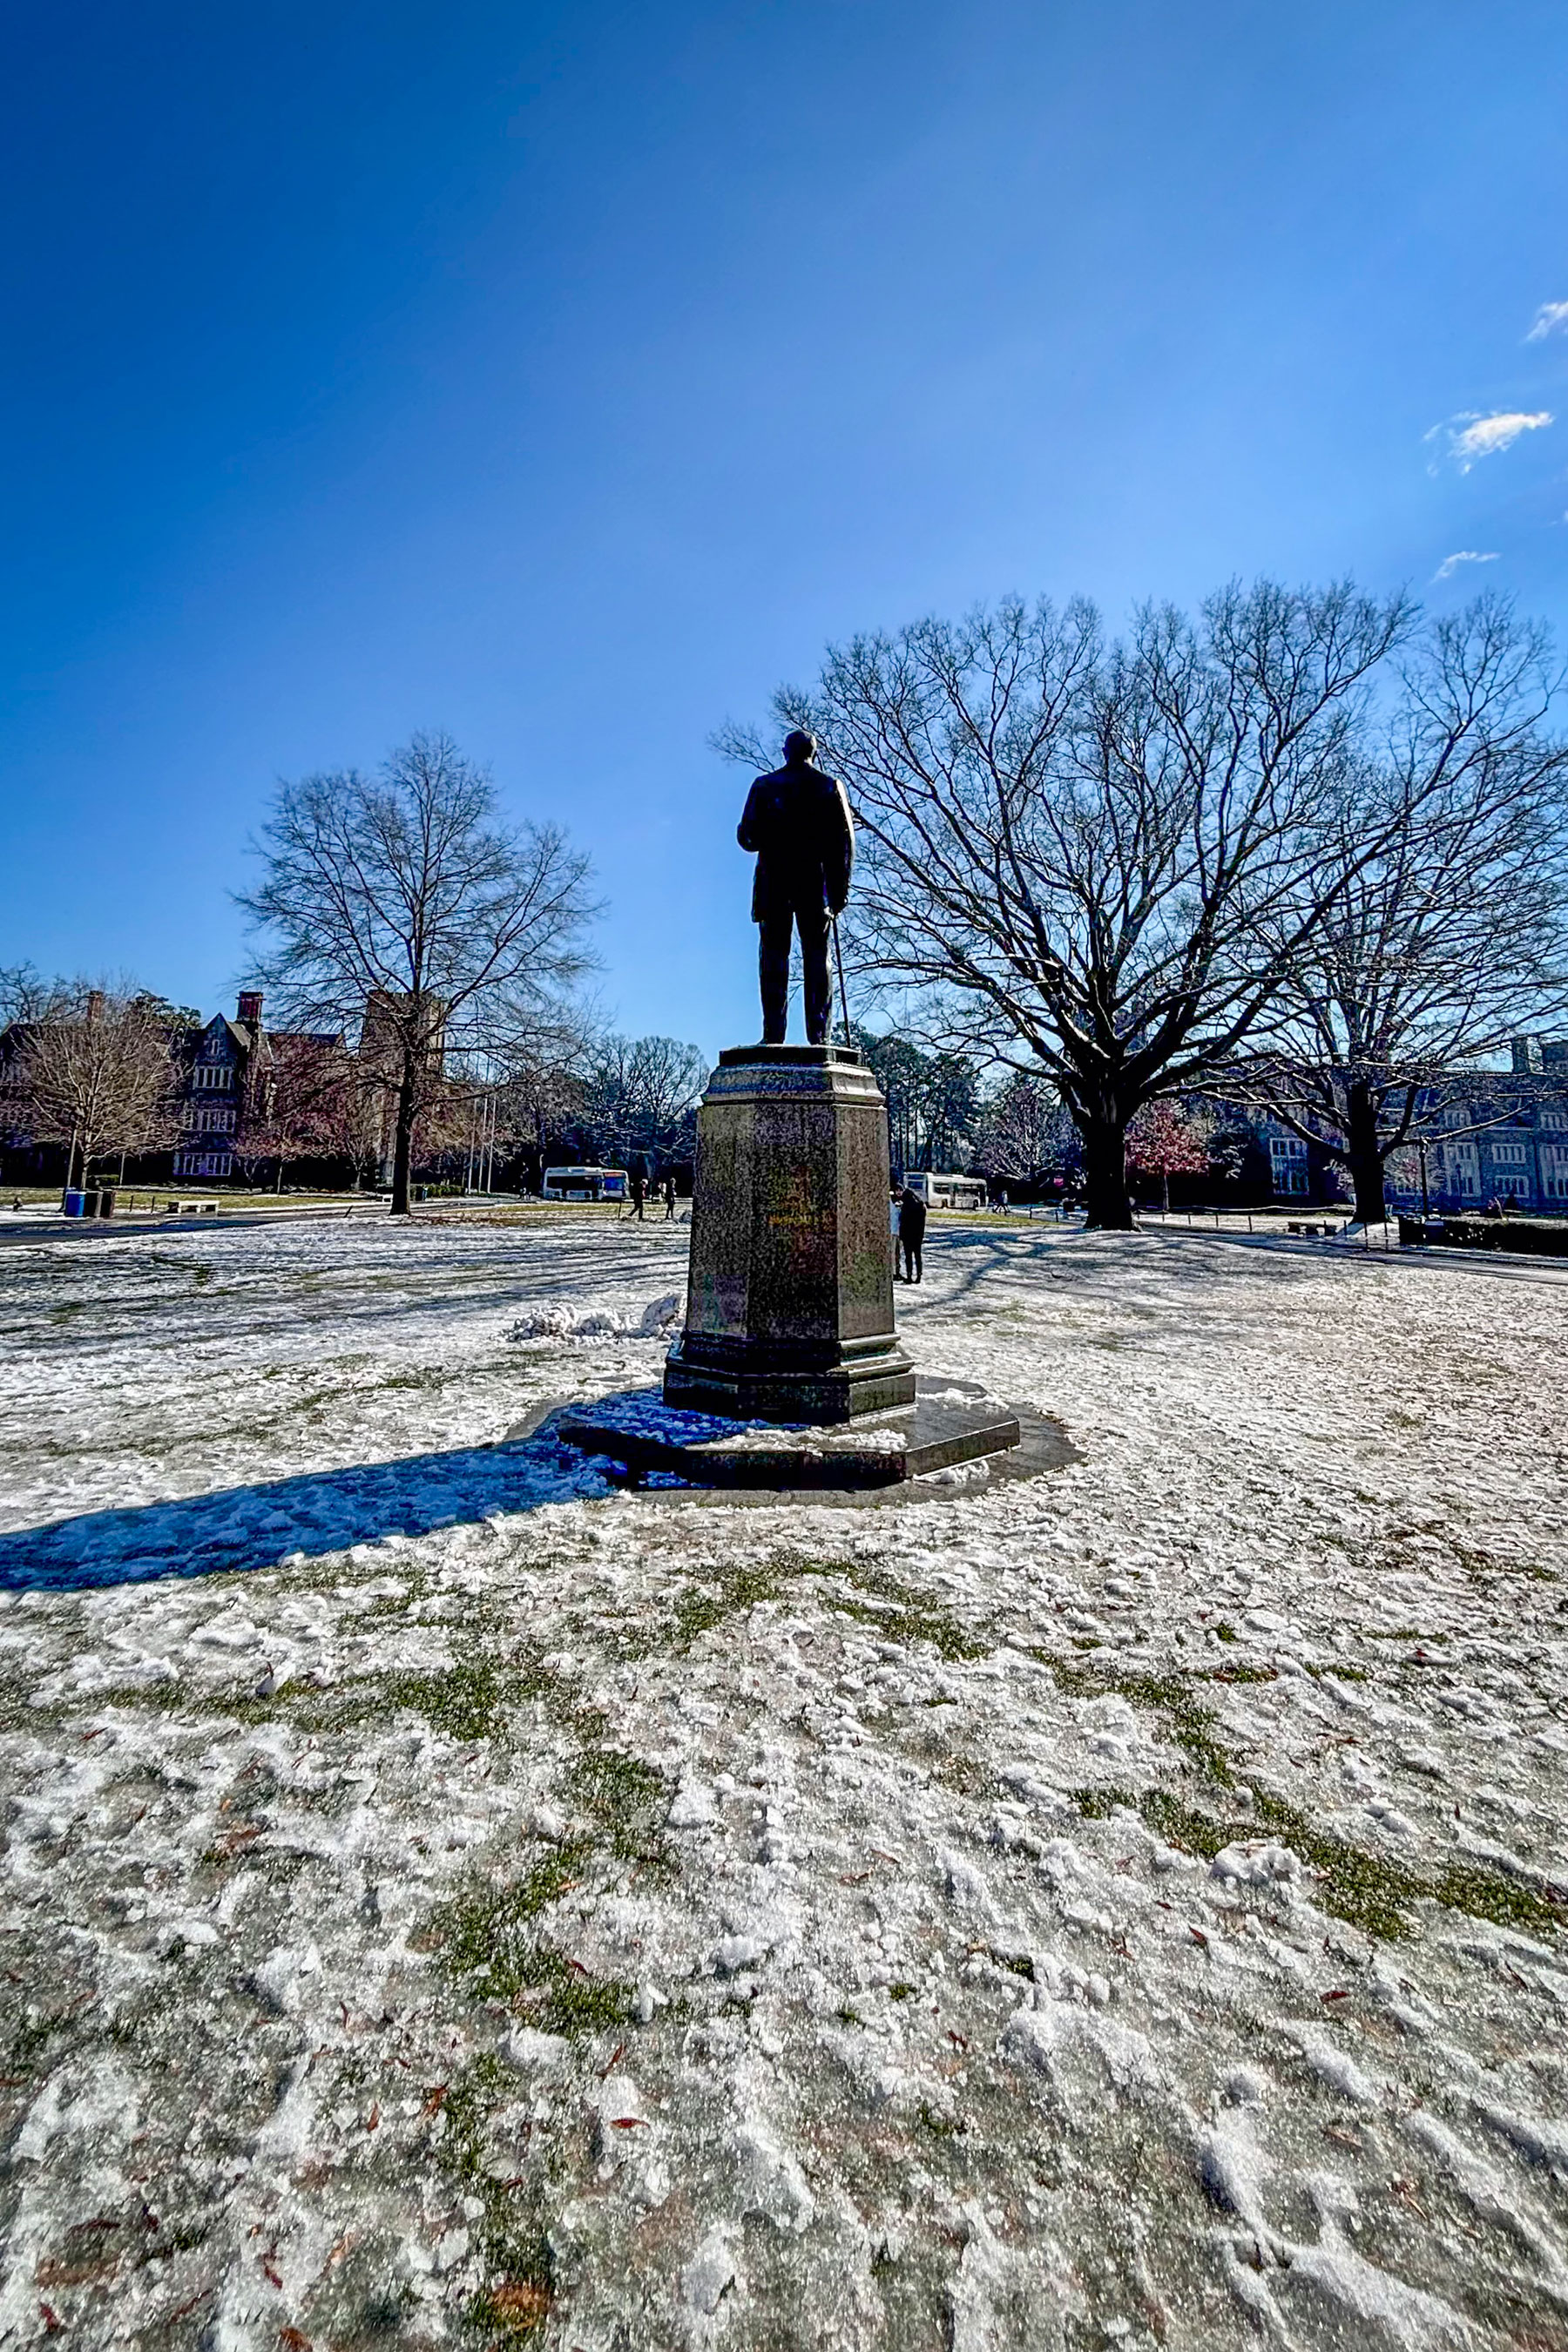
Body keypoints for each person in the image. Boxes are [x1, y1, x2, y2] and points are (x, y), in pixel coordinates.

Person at [738, 729, 855, 1045]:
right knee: (817, 957)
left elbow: (747, 838)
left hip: (774, 883)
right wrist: (840, 892)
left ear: (784, 752)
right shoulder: (829, 786)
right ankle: (820, 1036)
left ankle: (772, 1035)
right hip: (814, 884)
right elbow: (845, 841)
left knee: (774, 958)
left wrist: (769, 830)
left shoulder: (764, 786)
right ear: (813, 753)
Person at [898, 1182, 928, 1285]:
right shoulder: (920, 1206)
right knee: (918, 1256)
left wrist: (902, 1235)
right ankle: (919, 1275)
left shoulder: (906, 1207)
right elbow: (922, 1223)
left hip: (908, 1236)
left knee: (908, 1257)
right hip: (918, 1235)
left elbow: (903, 1222)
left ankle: (909, 1275)